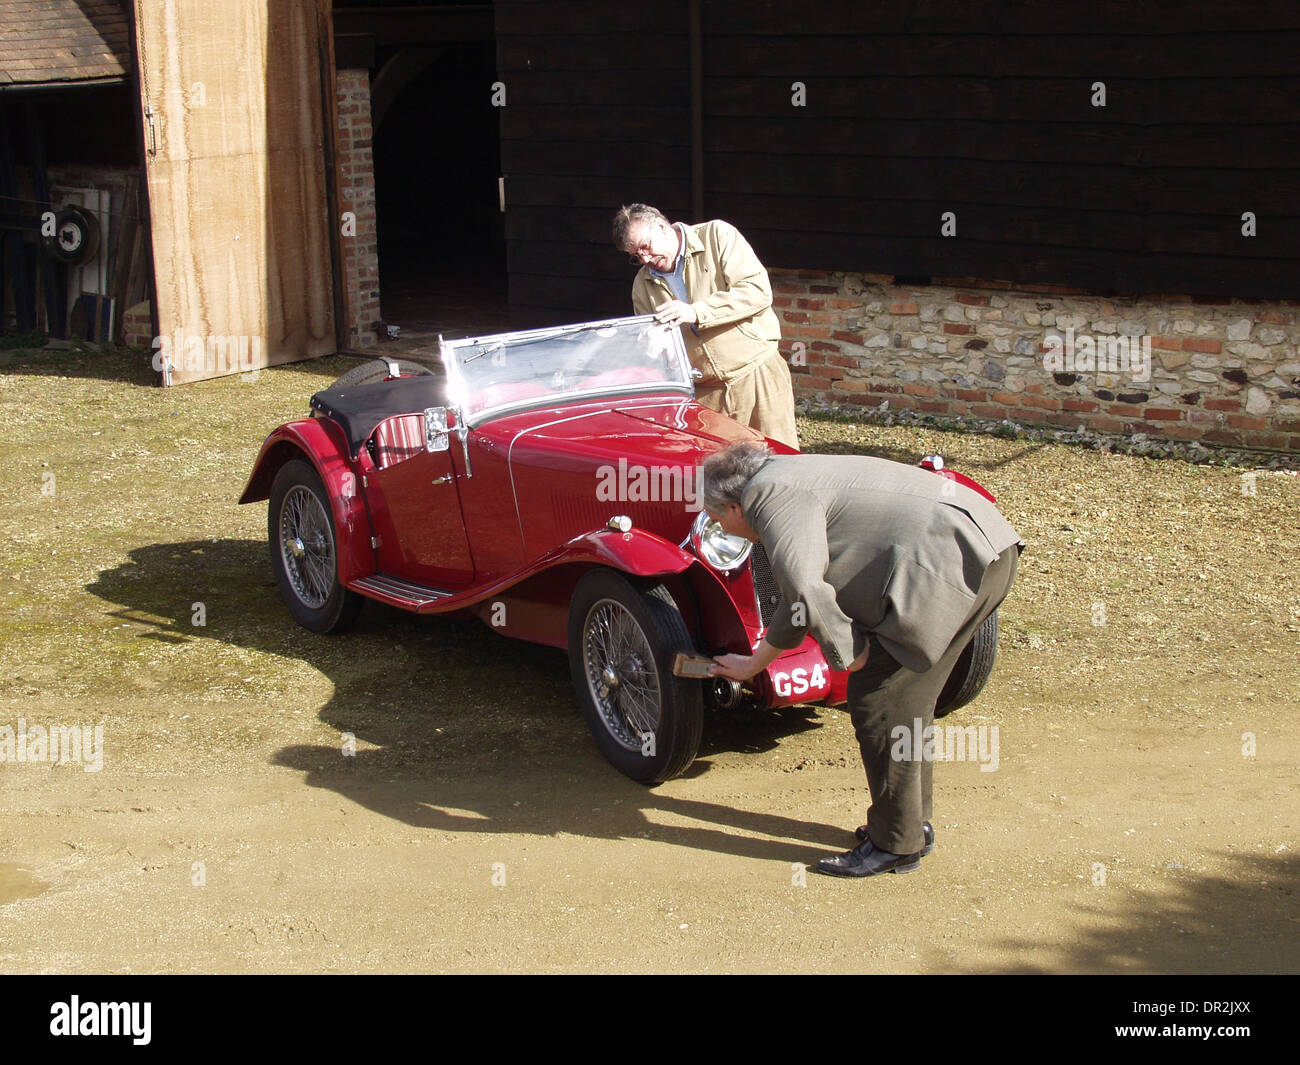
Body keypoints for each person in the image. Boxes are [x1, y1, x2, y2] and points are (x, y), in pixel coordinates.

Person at [701, 441, 1023, 878]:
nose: (725, 529)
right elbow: (796, 603)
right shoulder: (786, 472)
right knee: (907, 702)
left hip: (948, 563)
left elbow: (805, 588)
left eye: (719, 519)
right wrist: (753, 665)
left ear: (735, 506)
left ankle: (894, 845)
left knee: (877, 700)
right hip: (990, 550)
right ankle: (909, 826)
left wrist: (849, 653)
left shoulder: (768, 495)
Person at [611, 203, 799, 449]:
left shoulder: (717, 236)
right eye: (635, 256)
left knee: (779, 459)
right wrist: (653, 347)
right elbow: (658, 351)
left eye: (645, 246)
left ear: (661, 226)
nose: (645, 258)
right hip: (705, 392)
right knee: (718, 469)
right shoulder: (642, 285)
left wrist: (696, 312)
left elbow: (757, 292)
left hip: (755, 372)